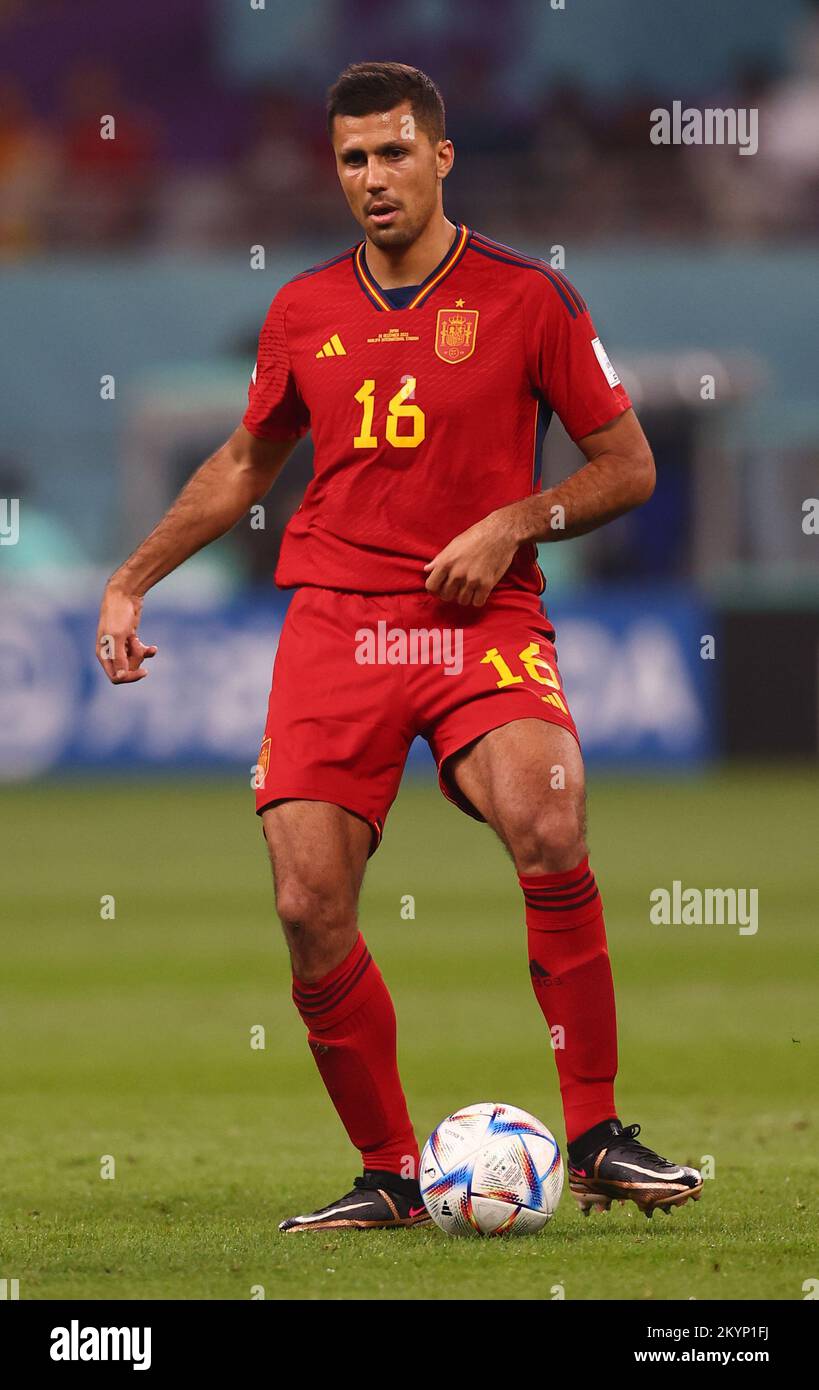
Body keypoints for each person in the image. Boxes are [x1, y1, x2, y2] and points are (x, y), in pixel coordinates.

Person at [97, 62, 702, 1232]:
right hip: (335, 618)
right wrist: (129, 581)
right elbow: (241, 466)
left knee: (549, 815)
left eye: (392, 152)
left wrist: (518, 518)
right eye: (352, 159)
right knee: (306, 902)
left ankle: (597, 1137)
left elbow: (628, 465)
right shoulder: (304, 310)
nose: (372, 178)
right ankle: (387, 1176)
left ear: (442, 156)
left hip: (482, 619)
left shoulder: (532, 298)